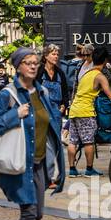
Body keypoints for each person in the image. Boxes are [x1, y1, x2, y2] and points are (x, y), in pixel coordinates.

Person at [0, 48, 57, 220]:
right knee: (28, 210)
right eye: (28, 63)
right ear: (18, 67)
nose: (33, 66)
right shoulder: (8, 95)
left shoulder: (42, 92)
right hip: (19, 162)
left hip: (39, 161)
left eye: (36, 62)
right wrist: (14, 114)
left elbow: (50, 126)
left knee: (38, 214)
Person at [67, 45, 111, 177]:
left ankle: (72, 169)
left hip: (74, 110)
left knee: (73, 141)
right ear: (105, 60)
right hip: (86, 111)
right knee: (88, 141)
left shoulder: (85, 74)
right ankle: (89, 169)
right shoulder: (100, 76)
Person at [38, 45, 71, 189]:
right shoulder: (39, 71)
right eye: (53, 54)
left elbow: (65, 92)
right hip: (42, 111)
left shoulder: (60, 73)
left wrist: (64, 105)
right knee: (46, 145)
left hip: (56, 113)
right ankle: (48, 177)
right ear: (45, 56)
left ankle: (52, 176)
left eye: (57, 54)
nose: (56, 56)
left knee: (54, 145)